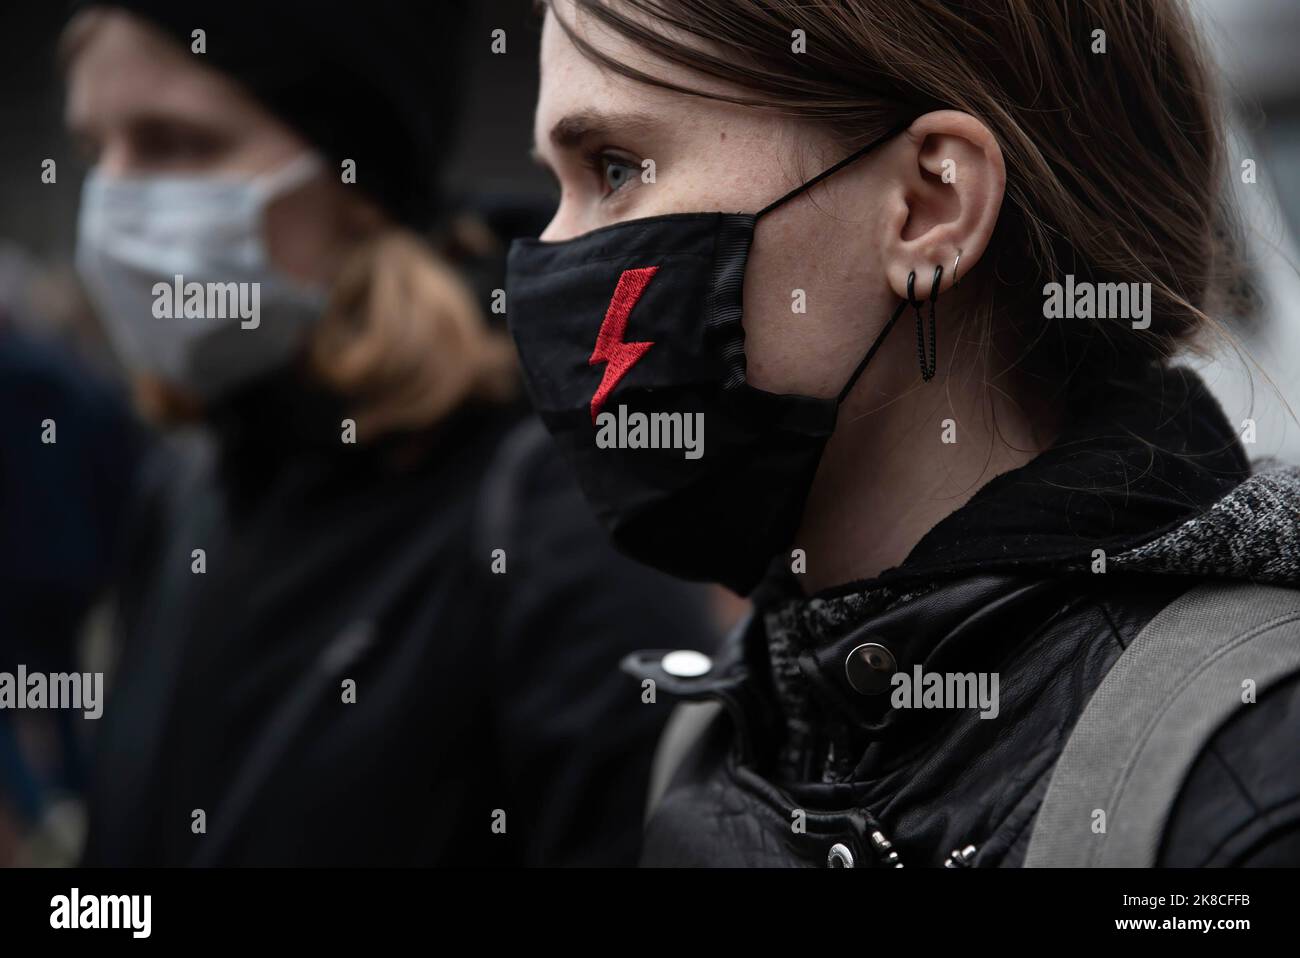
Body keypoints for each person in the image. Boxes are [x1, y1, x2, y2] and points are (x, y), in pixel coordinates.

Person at [506, 0, 1300, 867]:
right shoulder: (721, 731)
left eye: (615, 169)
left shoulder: (1249, 791)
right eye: (558, 186)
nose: (549, 256)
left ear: (929, 208)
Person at [64, 1, 714, 867]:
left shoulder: (549, 510)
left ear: (355, 181)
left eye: (179, 144)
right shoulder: (189, 480)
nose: (114, 200)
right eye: (94, 151)